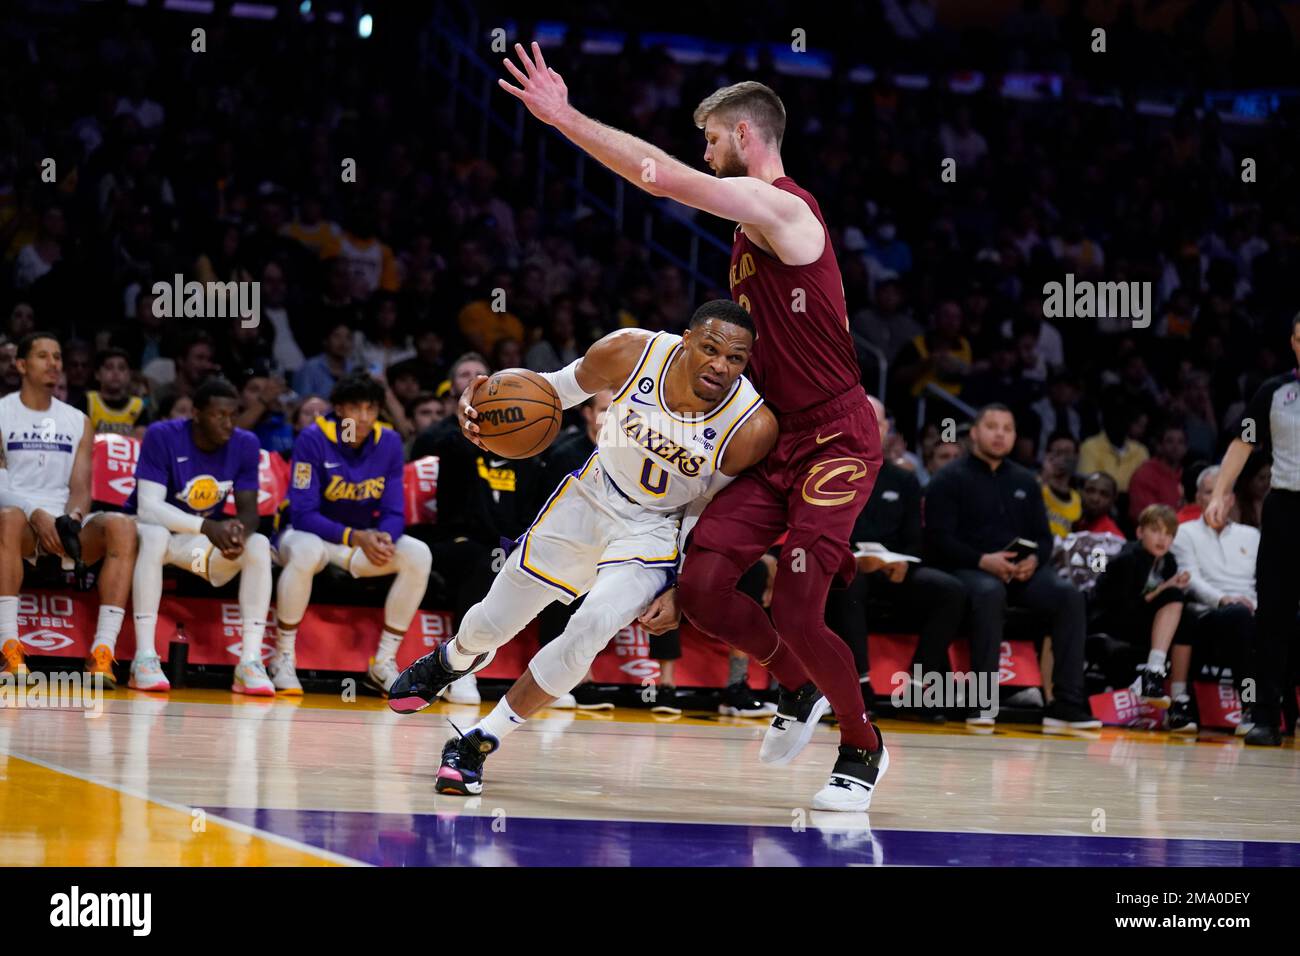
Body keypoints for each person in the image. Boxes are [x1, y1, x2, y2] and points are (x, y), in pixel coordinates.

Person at [503, 55, 892, 808]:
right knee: (705, 589)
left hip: (835, 439)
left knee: (799, 606)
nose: (704, 154)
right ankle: (798, 690)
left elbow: (657, 178)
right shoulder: (751, 232)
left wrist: (564, 118)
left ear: (745, 134)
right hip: (777, 434)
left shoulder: (785, 210)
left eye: (711, 141)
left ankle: (862, 745)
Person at [390, 301, 776, 799]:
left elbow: (707, 510)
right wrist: (481, 399)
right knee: (492, 622)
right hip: (591, 497)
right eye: (710, 349)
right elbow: (551, 389)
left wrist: (682, 584)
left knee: (591, 625)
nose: (721, 365)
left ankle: (479, 741)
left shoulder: (750, 425)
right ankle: (453, 658)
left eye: (736, 358)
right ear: (685, 340)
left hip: (655, 531)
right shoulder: (630, 351)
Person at [923, 404, 1100, 730]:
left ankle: (1067, 703)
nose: (1000, 433)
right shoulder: (949, 478)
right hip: (967, 567)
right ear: (975, 433)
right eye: (992, 426)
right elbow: (937, 540)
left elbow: (1044, 540)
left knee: (1069, 596)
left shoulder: (1026, 481)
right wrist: (982, 561)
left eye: (1007, 428)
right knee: (989, 592)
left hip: (1019, 572)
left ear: (1015, 436)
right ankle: (981, 702)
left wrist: (1034, 560)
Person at [270, 373, 431, 695]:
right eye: (355, 408)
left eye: (371, 409)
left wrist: (383, 537)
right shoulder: (313, 439)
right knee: (307, 551)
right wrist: (356, 537)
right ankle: (282, 656)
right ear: (339, 409)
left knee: (418, 553)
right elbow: (302, 515)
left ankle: (383, 662)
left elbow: (394, 511)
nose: (363, 417)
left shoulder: (388, 443)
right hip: (302, 535)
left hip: (354, 539)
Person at [0, 333, 137, 684]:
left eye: (58, 356)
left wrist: (72, 519)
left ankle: (102, 653)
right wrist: (36, 513)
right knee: (8, 518)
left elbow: (80, 488)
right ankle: (8, 648)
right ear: (21, 365)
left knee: (121, 525)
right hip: (20, 520)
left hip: (61, 523)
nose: (54, 364)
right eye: (43, 356)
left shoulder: (78, 420)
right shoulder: (1, 412)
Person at [125, 378, 274, 694]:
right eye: (219, 415)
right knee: (154, 536)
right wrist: (208, 528)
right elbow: (148, 507)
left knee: (258, 544)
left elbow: (249, 512)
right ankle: (144, 658)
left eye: (233, 415)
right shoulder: (162, 435)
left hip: (195, 541)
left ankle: (249, 662)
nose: (228, 423)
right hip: (151, 532)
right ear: (196, 413)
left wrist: (238, 533)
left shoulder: (245, 443)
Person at [1203, 312, 1300, 745]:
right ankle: (1266, 716)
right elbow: (1242, 444)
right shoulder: (1273, 391)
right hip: (1284, 506)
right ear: (1293, 341)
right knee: (1273, 616)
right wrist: (1220, 492)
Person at [1169, 466, 1260, 735]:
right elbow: (1190, 579)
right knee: (1239, 616)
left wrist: (1258, 606)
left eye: (1224, 492)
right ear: (1198, 498)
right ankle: (1250, 706)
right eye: (1210, 492)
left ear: (1232, 499)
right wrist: (1224, 599)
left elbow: (1264, 582)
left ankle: (1290, 709)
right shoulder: (1184, 532)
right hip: (1207, 614)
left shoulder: (1251, 536)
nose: (1218, 498)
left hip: (1250, 610)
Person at [1090, 505, 1193, 714]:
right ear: (1139, 532)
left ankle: (1178, 698)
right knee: (1173, 595)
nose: (1162, 539)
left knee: (1188, 617)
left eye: (1168, 534)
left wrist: (1169, 587)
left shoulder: (1169, 561)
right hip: (1110, 621)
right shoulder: (1127, 558)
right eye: (1155, 531)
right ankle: (1153, 673)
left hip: (1142, 623)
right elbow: (1122, 608)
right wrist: (1164, 588)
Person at [86, 347, 149, 437]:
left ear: (129, 375)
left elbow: (140, 439)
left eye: (122, 368)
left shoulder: (138, 406)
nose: (115, 372)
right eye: (109, 367)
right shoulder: (88, 401)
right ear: (97, 374)